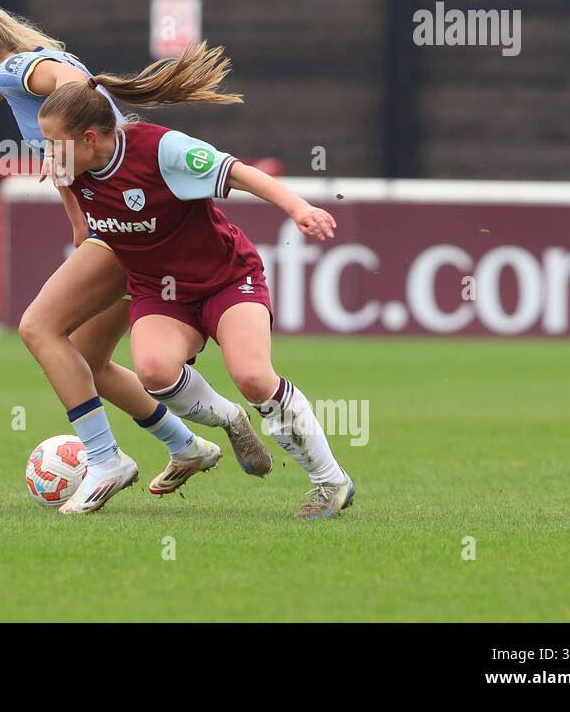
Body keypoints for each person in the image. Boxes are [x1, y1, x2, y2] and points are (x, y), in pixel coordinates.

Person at [0, 0, 271, 514]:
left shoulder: (13, 71)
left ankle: (105, 459)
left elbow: (71, 99)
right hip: (122, 226)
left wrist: (76, 190)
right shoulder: (32, 83)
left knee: (39, 328)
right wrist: (77, 217)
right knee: (88, 361)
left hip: (124, 228)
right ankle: (187, 445)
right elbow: (72, 140)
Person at [36, 71, 356, 519]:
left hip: (226, 278)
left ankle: (331, 483)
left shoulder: (160, 150)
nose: (46, 152)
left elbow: (240, 173)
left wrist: (299, 208)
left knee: (253, 378)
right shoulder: (73, 170)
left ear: (90, 138)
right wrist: (65, 188)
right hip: (159, 293)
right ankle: (229, 420)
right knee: (154, 371)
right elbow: (84, 234)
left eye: (53, 142)